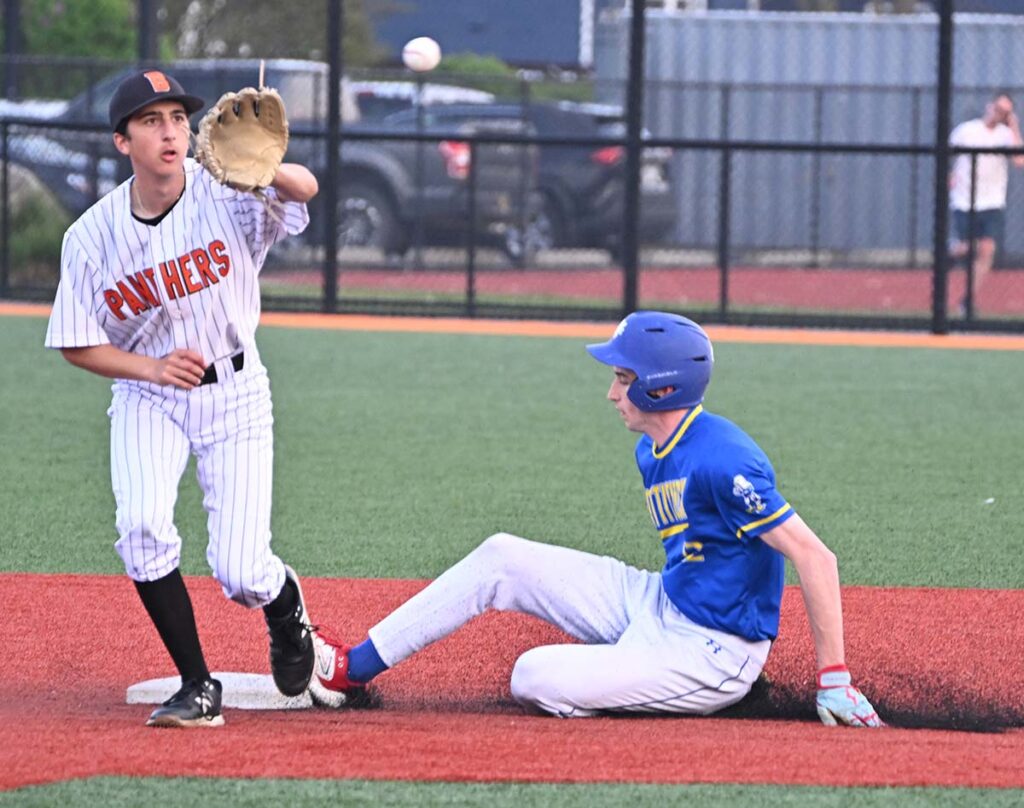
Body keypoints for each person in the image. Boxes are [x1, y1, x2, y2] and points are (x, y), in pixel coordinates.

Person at [309, 311, 883, 727]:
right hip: (663, 602)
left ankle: (664, 686)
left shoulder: (724, 460)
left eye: (624, 378)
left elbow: (815, 555)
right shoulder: (653, 446)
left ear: (663, 387)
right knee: (502, 555)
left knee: (532, 675)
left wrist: (833, 679)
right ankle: (352, 668)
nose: (612, 392)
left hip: (714, 651)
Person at [44, 70, 320, 728]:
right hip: (149, 396)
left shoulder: (226, 191)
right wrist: (150, 367)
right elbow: (76, 342)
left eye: (176, 117)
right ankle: (198, 685)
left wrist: (271, 168)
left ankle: (284, 607)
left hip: (238, 393)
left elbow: (306, 193)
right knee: (141, 530)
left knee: (242, 572)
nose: (169, 130)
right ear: (121, 141)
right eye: (150, 120)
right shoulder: (91, 236)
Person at [949, 92, 1024, 315]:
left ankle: (967, 300)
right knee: (967, 246)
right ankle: (951, 251)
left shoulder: (1005, 136)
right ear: (989, 106)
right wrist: (950, 176)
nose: (998, 114)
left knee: (986, 250)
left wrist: (1014, 126)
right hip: (964, 200)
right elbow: (948, 155)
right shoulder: (966, 130)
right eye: (997, 108)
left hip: (992, 201)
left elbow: (1020, 160)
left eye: (1005, 112)